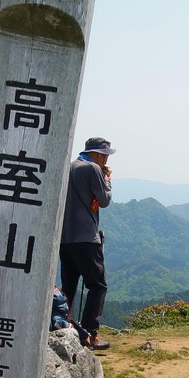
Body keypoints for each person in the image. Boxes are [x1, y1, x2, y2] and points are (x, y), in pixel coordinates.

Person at [59, 137, 114, 350]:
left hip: (65, 238)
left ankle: (62, 328)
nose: (106, 159)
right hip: (86, 238)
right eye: (105, 155)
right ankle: (90, 334)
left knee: (69, 288)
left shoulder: (69, 167)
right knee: (97, 285)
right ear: (99, 154)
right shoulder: (92, 169)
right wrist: (107, 180)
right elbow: (104, 200)